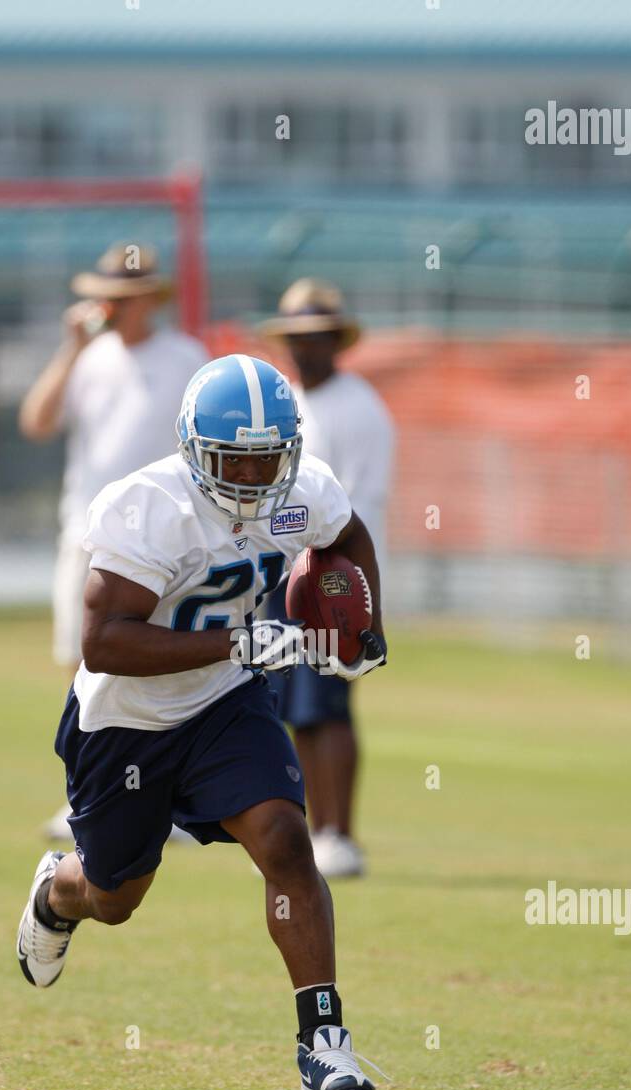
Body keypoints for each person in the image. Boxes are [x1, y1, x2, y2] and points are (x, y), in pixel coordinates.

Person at [15, 354, 389, 1090]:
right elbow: (105, 642)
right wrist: (242, 644)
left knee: (286, 839)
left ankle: (323, 1046)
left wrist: (366, 626)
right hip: (127, 726)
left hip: (225, 703)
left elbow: (347, 537)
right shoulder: (148, 506)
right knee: (114, 897)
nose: (253, 479)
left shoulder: (305, 486)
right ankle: (57, 893)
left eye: (267, 459)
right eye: (234, 461)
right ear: (192, 449)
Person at [18, 242, 207, 839]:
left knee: (166, 663)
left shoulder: (185, 358)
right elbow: (37, 421)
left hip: (166, 537)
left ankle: (169, 802)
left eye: (124, 297)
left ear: (150, 299)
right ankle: (85, 798)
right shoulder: (89, 357)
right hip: (89, 530)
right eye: (107, 296)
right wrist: (72, 348)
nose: (112, 307)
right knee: (85, 667)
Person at [261, 279, 394, 879]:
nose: (303, 349)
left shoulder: (359, 407)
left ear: (336, 341)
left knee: (328, 704)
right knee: (293, 707)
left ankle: (340, 833)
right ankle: (316, 829)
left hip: (331, 577)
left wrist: (333, 581)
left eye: (315, 338)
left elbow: (353, 511)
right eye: (295, 337)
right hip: (282, 573)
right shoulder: (287, 401)